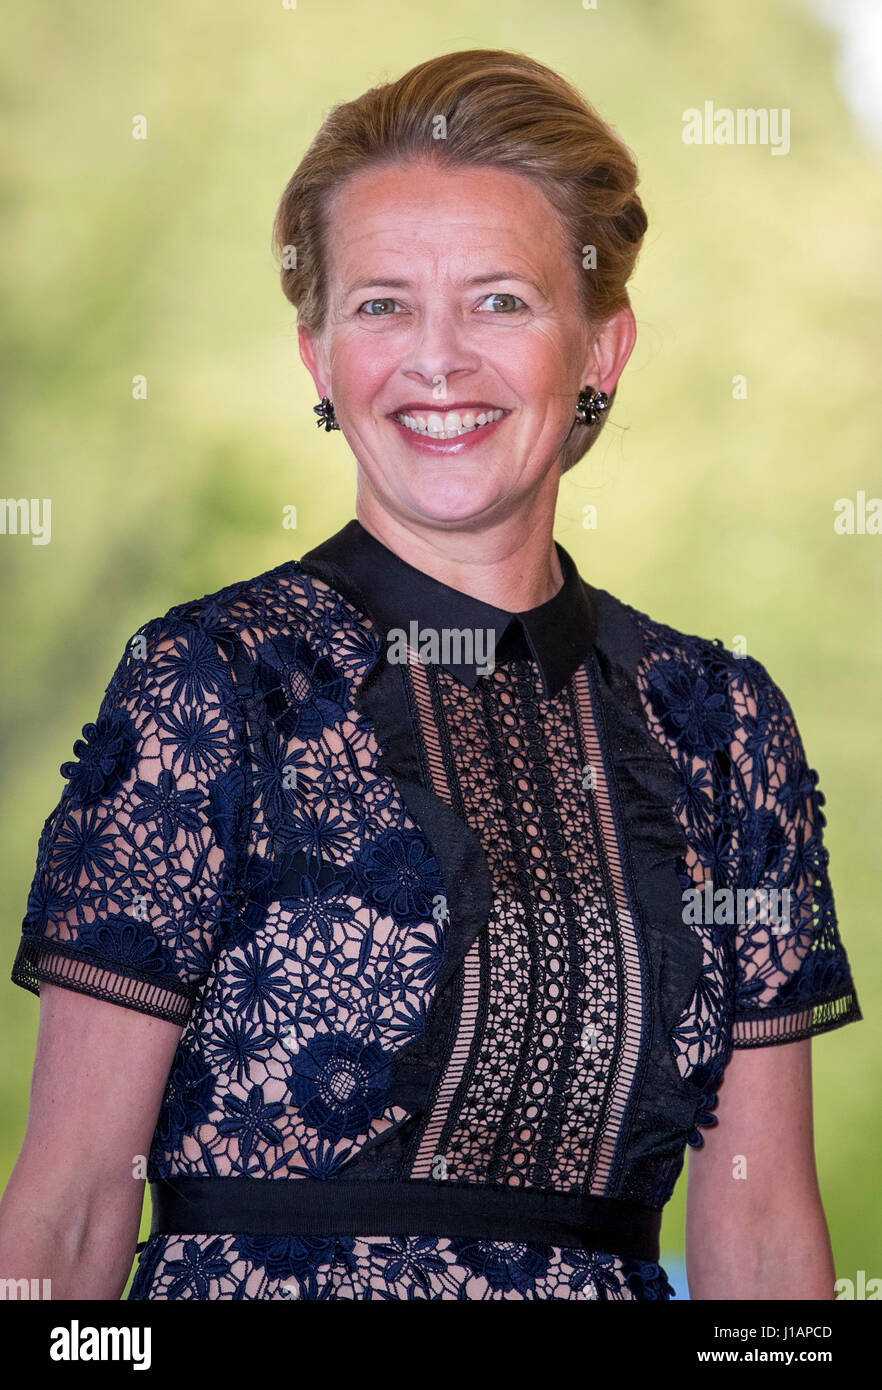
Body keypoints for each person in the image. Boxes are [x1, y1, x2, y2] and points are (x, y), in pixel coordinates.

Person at [0, 48, 861, 1302]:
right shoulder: (215, 684)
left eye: (502, 301)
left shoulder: (723, 729)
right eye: (383, 303)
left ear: (601, 349)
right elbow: (71, 1213)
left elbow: (769, 1233)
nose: (437, 359)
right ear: (318, 357)